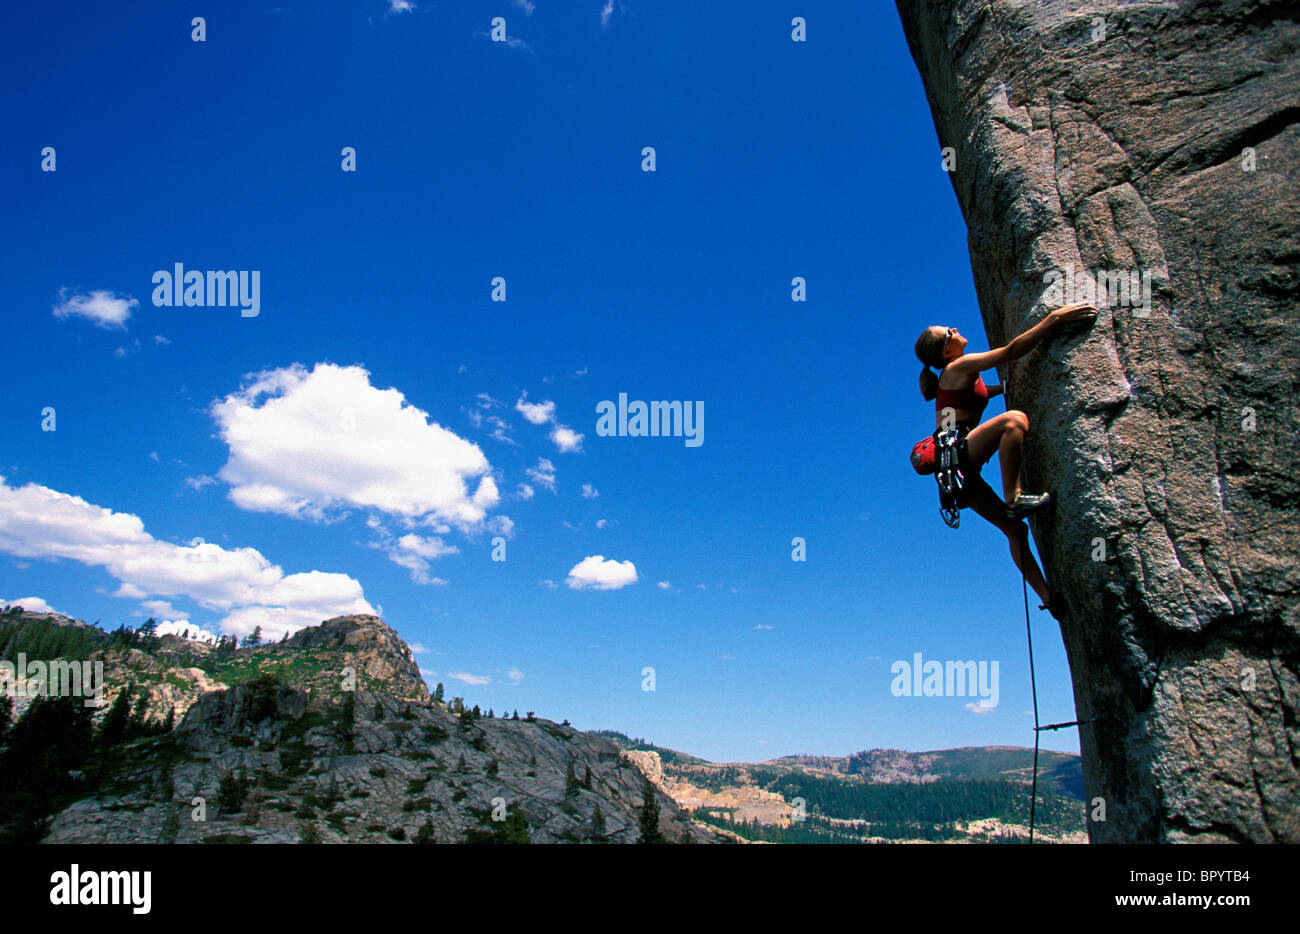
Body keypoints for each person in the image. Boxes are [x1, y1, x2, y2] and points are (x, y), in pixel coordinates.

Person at [913, 303, 1097, 617]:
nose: (956, 330)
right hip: (960, 453)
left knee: (1016, 531)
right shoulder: (960, 366)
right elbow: (1012, 350)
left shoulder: (955, 373)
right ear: (946, 352)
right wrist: (1053, 319)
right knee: (1014, 421)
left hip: (953, 473)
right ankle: (1015, 496)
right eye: (949, 334)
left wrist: (1003, 389)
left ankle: (1049, 599)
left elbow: (977, 394)